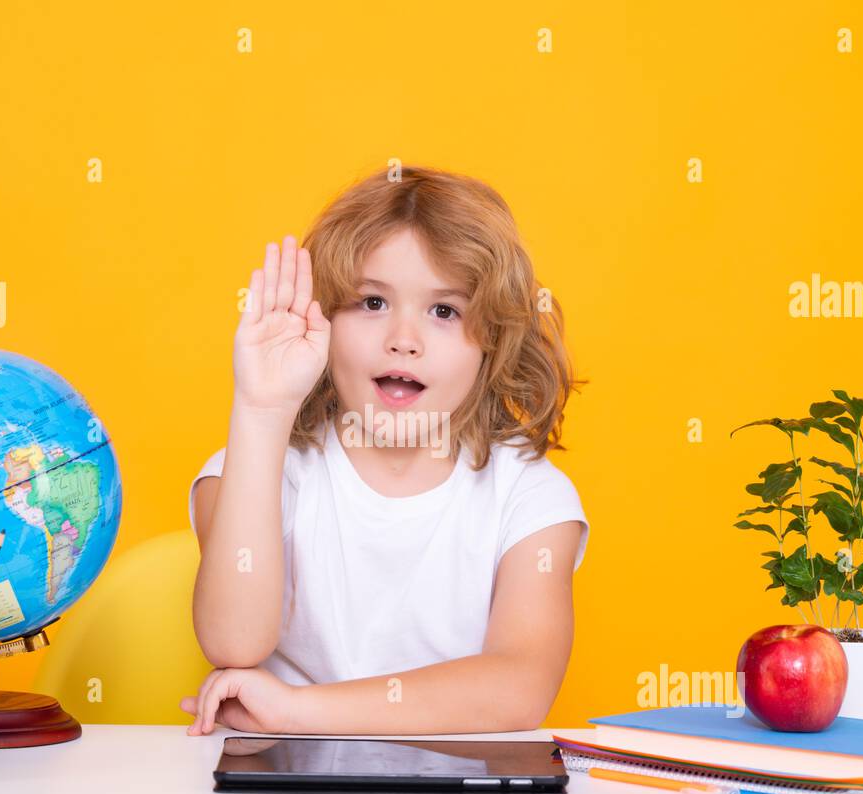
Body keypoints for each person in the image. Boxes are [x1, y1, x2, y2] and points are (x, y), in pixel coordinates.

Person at [182, 165, 589, 735]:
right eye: (372, 303)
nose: (403, 337)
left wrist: (298, 711)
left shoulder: (528, 494)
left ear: (491, 344)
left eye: (444, 311)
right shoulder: (252, 472)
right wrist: (260, 409)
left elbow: (519, 687)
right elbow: (233, 642)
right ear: (320, 319)